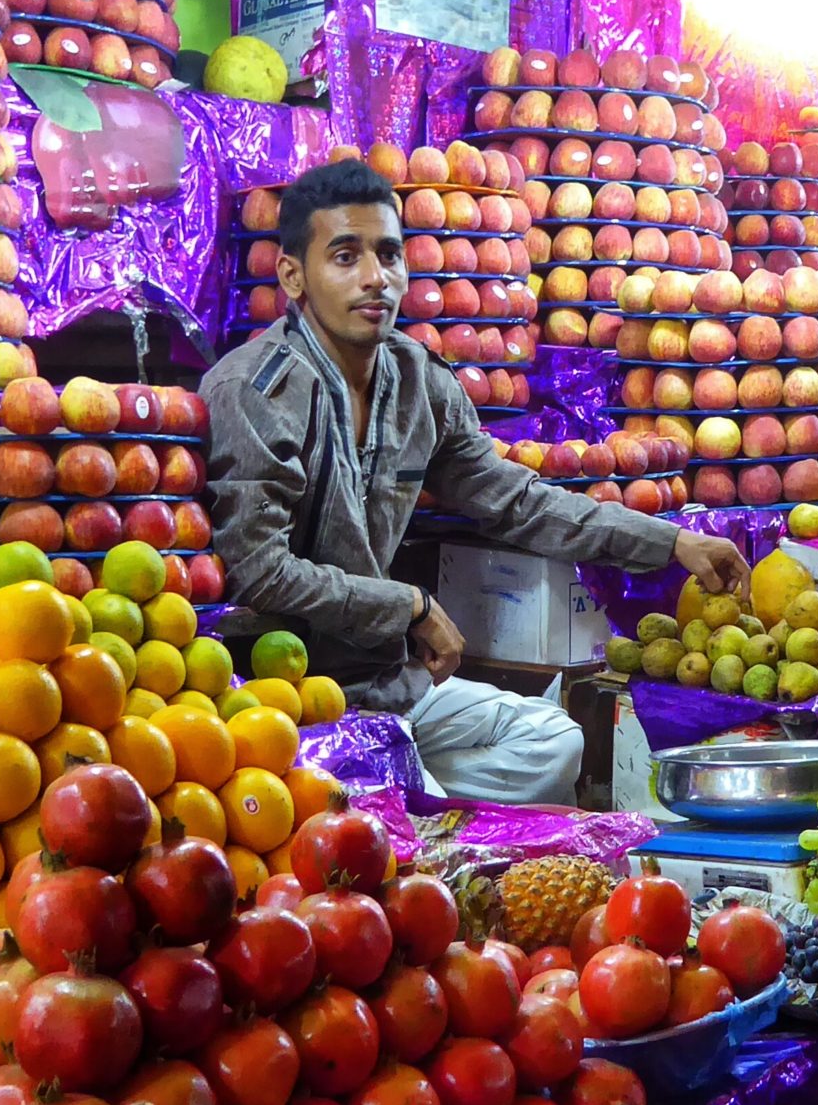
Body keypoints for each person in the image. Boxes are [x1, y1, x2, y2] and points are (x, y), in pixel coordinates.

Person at [200, 158, 749, 804]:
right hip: (287, 704)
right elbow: (259, 571)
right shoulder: (256, 389)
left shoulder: (417, 380)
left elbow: (514, 500)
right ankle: (396, 796)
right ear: (293, 275)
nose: (375, 278)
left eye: (389, 255)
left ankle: (403, 794)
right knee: (391, 794)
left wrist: (671, 541)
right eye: (345, 257)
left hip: (391, 688)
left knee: (555, 740)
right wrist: (408, 606)